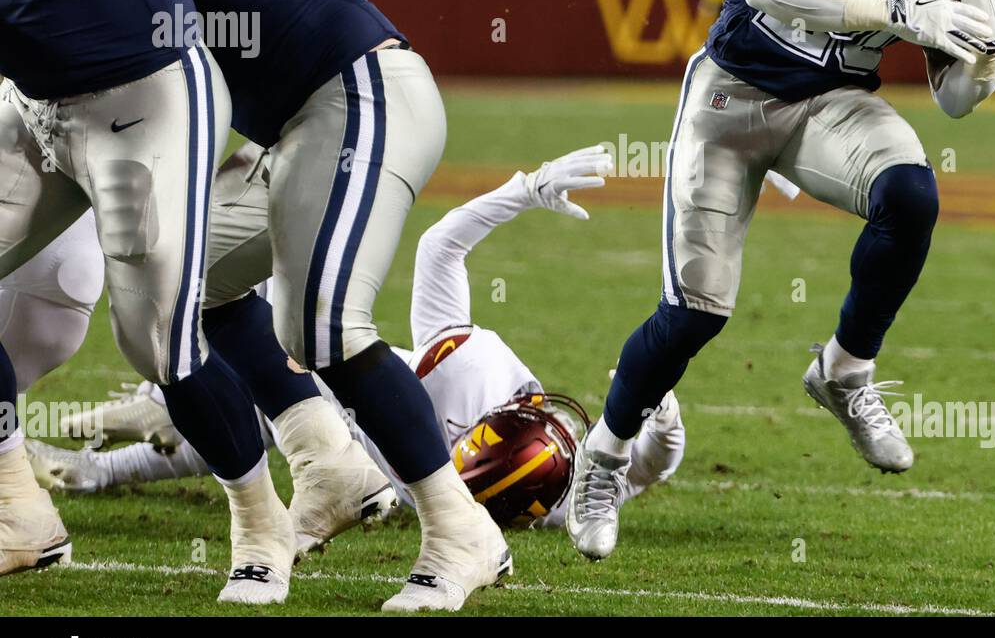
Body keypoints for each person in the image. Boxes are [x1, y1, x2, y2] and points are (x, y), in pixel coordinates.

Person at [565, 0, 995, 560]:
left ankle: (845, 371)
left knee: (913, 196)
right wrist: (895, 11)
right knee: (695, 312)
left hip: (831, 100)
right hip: (735, 95)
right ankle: (605, 455)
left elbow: (955, 97)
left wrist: (987, 56)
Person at [0, 0, 289, 598]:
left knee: (159, 340)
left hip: (140, 88)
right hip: (37, 95)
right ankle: (17, 509)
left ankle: (262, 520)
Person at [30, 148, 686, 529]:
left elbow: (439, 247)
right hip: (343, 401)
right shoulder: (545, 487)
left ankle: (130, 430)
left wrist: (521, 191)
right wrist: (658, 413)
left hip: (328, 392)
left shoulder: (475, 392)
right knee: (265, 362)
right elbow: (648, 467)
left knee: (254, 357)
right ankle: (131, 428)